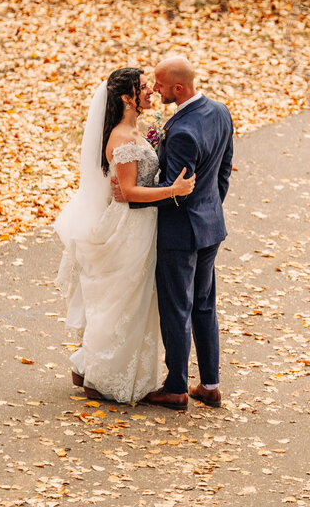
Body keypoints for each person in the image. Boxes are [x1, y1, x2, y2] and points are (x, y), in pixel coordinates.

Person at [55, 66, 195, 403]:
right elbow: (129, 191)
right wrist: (172, 190)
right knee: (123, 302)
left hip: (144, 224)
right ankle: (101, 376)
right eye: (143, 87)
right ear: (125, 98)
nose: (150, 91)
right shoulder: (121, 137)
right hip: (130, 227)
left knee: (134, 301)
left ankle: (89, 366)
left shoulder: (137, 131)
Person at [113, 55, 234, 410]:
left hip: (181, 234)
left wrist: (130, 197)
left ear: (178, 88)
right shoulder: (220, 112)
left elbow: (176, 190)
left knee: (177, 309)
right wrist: (211, 208)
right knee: (204, 305)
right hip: (210, 227)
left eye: (161, 85)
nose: (155, 89)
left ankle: (177, 388)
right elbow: (224, 170)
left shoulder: (181, 132)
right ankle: (210, 385)